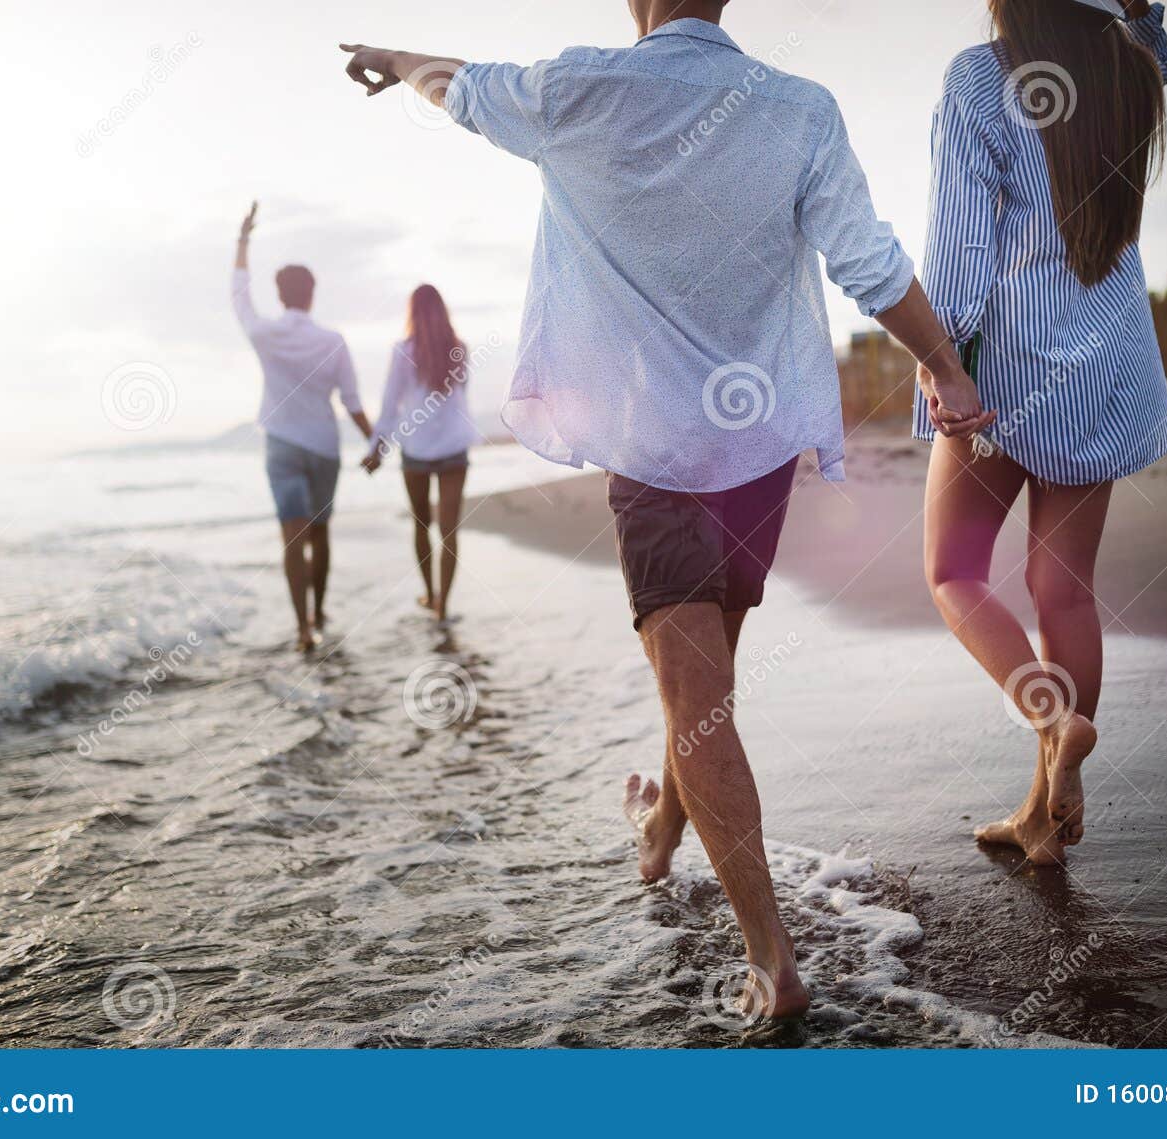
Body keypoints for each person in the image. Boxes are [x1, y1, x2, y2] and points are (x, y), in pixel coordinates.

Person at [344, 1, 992, 1022]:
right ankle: (659, 833)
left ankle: (772, 959)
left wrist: (393, 54)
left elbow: (456, 86)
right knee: (704, 689)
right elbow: (867, 260)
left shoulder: (576, 88)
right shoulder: (798, 108)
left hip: (656, 453)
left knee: (697, 698)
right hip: (758, 452)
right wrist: (943, 365)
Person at [916, 0, 1167, 864]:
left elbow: (958, 250)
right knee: (1063, 589)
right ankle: (1045, 815)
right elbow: (1150, 38)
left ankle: (1055, 722)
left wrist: (939, 358)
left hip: (1005, 368)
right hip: (1106, 358)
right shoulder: (1132, 70)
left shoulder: (981, 77)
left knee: (954, 572)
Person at [232, 202, 375, 652]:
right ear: (311, 294)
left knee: (292, 539)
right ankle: (318, 612)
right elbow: (352, 402)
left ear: (280, 296)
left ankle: (302, 631)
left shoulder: (265, 334)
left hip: (282, 447)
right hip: (323, 449)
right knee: (320, 532)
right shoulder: (333, 341)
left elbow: (239, 297)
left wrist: (243, 241)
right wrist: (375, 443)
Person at [362, 285, 479, 622]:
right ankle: (443, 606)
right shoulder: (459, 349)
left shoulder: (403, 351)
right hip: (454, 445)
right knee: (449, 531)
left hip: (415, 447)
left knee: (421, 524)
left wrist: (377, 449)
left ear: (412, 313)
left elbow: (390, 403)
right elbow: (462, 393)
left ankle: (430, 593)